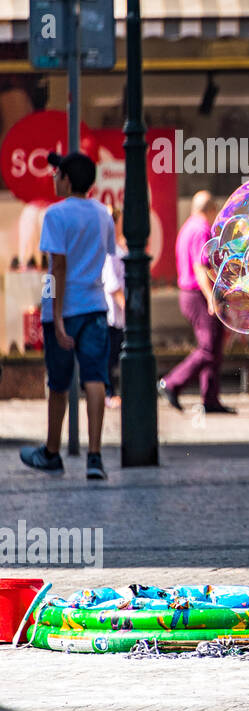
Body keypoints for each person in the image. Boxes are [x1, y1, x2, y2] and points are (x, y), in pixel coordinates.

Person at [19, 152, 115, 480]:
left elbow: (55, 268)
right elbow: (106, 256)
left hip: (64, 310)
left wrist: (55, 317)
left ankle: (51, 452)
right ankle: (95, 457)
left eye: (57, 173)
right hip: (96, 306)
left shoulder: (55, 215)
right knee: (95, 379)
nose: (53, 178)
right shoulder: (103, 213)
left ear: (68, 180)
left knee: (58, 384)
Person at [159, 191, 235, 414]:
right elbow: (200, 267)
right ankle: (171, 383)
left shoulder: (187, 228)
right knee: (209, 347)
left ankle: (210, 399)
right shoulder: (201, 229)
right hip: (198, 294)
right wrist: (212, 297)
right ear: (210, 210)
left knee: (214, 344)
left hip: (190, 294)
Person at [102, 204, 126, 410]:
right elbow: (113, 285)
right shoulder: (110, 250)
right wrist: (127, 306)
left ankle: (112, 392)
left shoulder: (118, 247)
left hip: (118, 315)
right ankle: (109, 393)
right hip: (113, 313)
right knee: (109, 356)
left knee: (116, 354)